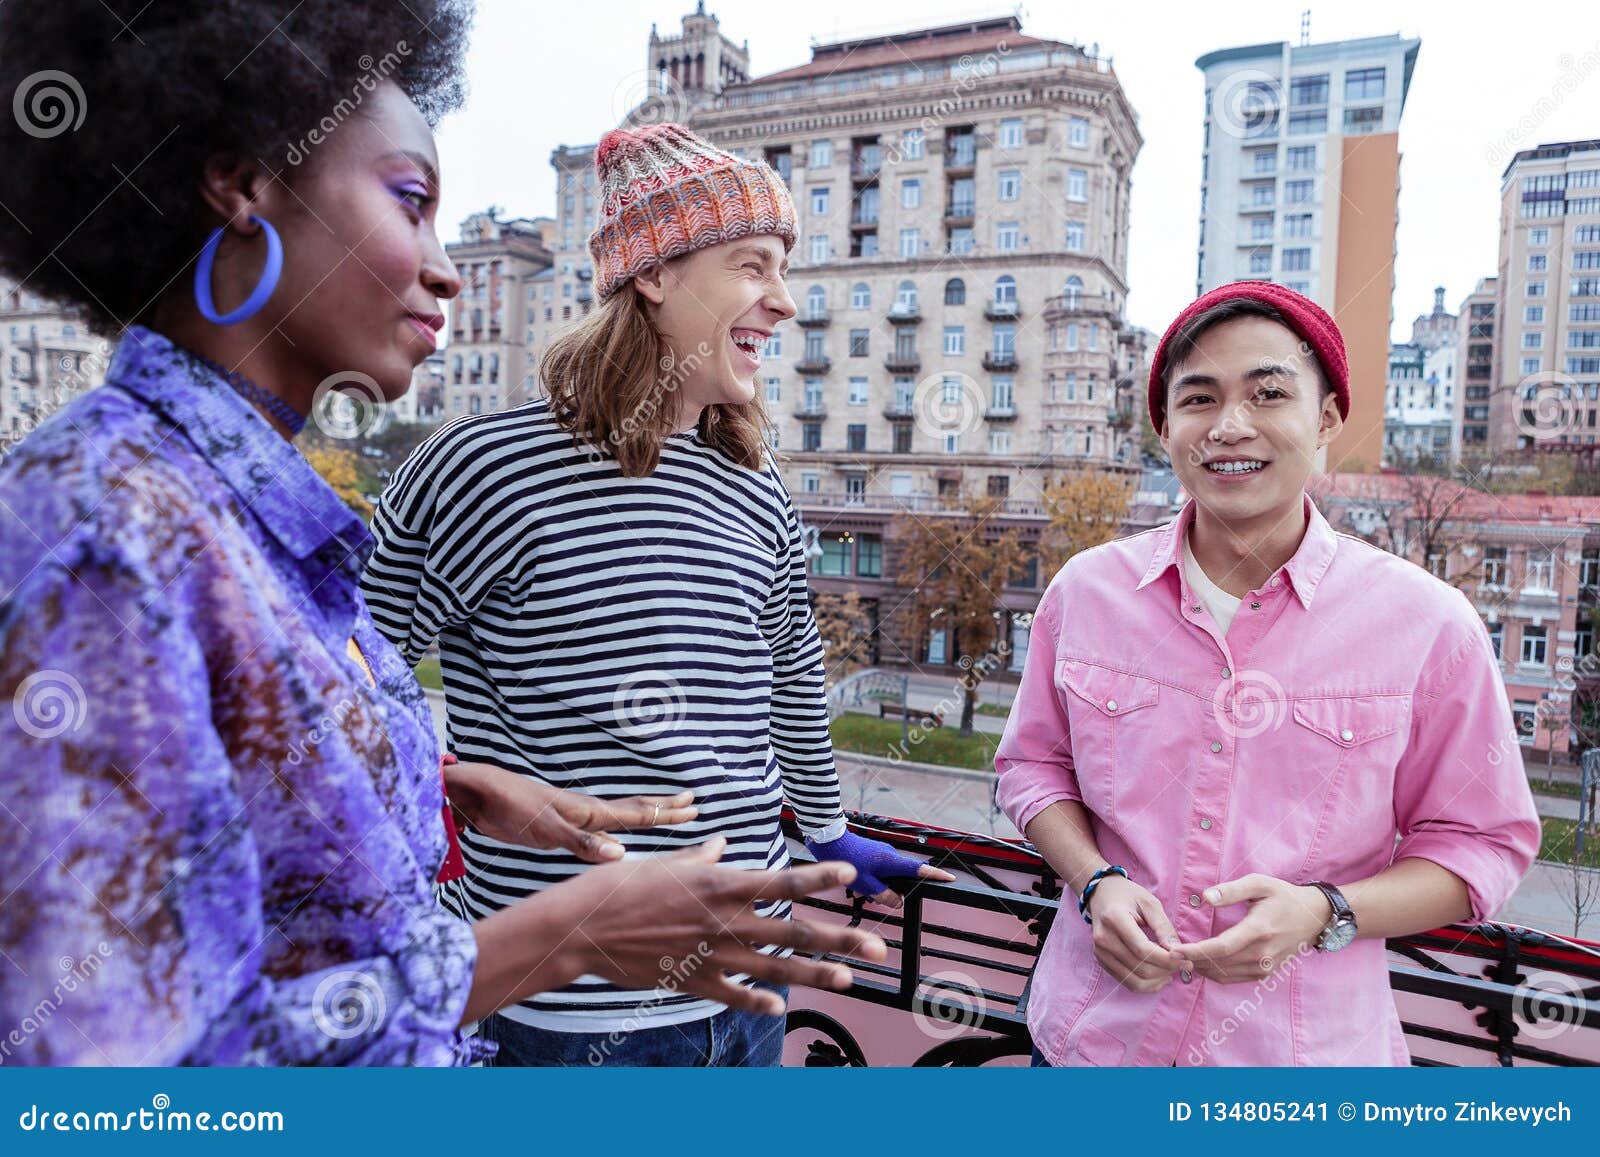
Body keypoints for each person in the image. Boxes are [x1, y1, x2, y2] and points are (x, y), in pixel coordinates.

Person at [0, 0, 883, 1067]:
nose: (450, 268)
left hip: (731, 988)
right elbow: (100, 1084)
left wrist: (440, 780)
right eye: (409, 202)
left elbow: (262, 766)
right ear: (241, 188)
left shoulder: (261, 520)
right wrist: (563, 933)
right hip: (572, 1040)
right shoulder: (103, 525)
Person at [361, 122, 952, 1067]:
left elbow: (792, 667)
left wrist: (829, 823)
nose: (784, 300)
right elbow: (344, 682)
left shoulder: (754, 480)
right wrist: (450, 786)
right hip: (566, 1012)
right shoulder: (484, 469)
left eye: (784, 267)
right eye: (751, 264)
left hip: (750, 979)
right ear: (655, 274)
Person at [994, 281, 1541, 1066]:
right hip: (1091, 1045)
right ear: (1164, 425)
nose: (1229, 426)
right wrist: (1094, 881)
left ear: (1325, 419)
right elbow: (1031, 767)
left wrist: (1325, 911)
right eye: (1199, 398)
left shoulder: (1429, 625)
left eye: (1268, 392)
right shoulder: (1087, 591)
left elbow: (1482, 844)